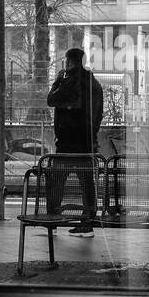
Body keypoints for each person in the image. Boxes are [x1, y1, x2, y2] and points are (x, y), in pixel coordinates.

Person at [46, 47, 105, 237]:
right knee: (88, 185)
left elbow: (51, 100)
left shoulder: (68, 81)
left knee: (56, 183)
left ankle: (52, 220)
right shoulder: (94, 84)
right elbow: (98, 114)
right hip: (87, 143)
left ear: (69, 61)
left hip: (67, 143)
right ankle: (87, 222)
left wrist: (57, 81)